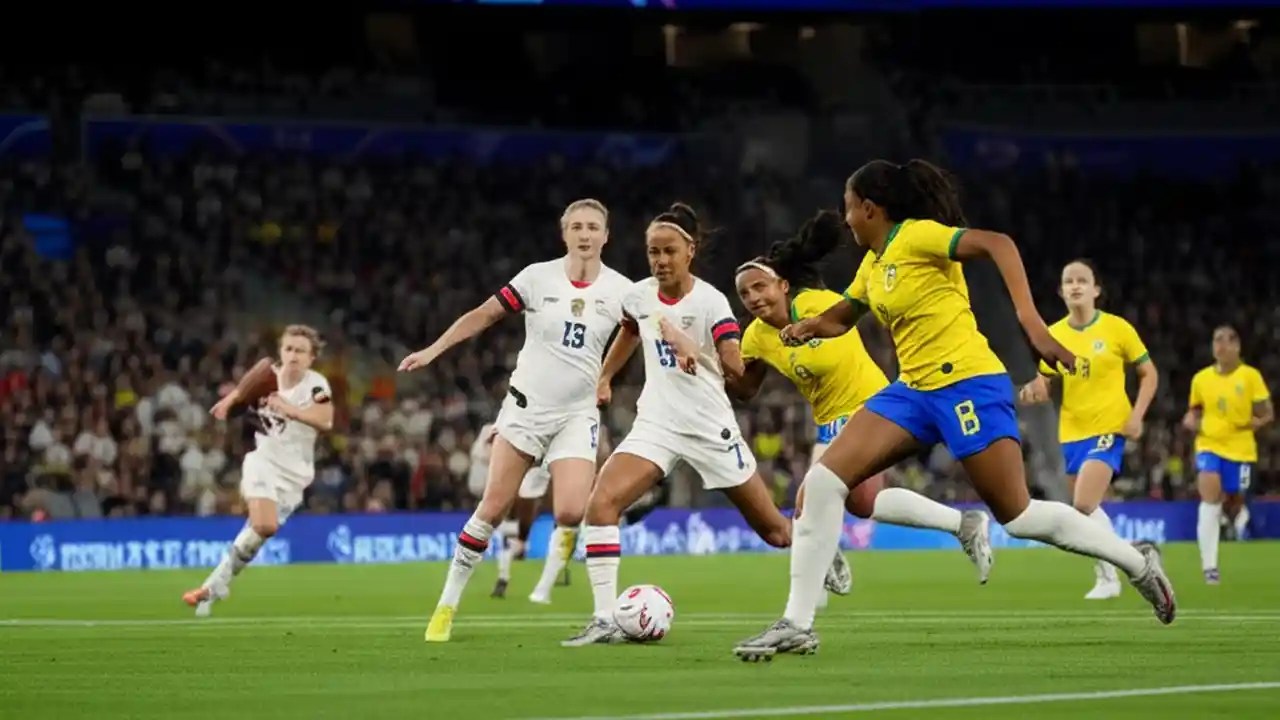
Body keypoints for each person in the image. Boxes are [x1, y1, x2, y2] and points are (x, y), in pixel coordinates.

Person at [733, 159, 1176, 660]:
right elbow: (843, 315)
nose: (846, 217)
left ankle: (1136, 563)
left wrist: (1031, 324)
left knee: (1018, 515)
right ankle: (797, 622)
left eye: (849, 207)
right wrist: (807, 328)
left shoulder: (919, 235)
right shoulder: (874, 265)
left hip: (967, 382)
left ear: (871, 209)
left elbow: (997, 244)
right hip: (913, 391)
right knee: (822, 482)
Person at [562, 203, 850, 648]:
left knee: (775, 532)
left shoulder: (711, 302)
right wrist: (604, 376)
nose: (659, 261)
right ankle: (603, 620)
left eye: (668, 252)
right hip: (656, 422)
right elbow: (629, 330)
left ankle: (821, 551)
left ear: (689, 251)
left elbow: (736, 375)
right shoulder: (639, 296)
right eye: (652, 252)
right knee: (601, 503)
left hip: (710, 427)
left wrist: (696, 352)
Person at [399, 199, 633, 642]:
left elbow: (636, 331)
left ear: (607, 236)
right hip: (526, 410)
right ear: (564, 233)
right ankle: (446, 607)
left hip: (576, 414)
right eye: (577, 226)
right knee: (491, 509)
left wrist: (606, 375)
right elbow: (484, 315)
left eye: (594, 227)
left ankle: (606, 613)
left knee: (568, 509)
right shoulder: (535, 277)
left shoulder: (623, 291)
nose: (585, 234)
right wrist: (433, 350)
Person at [731, 210, 993, 602]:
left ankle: (809, 597)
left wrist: (809, 331)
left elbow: (846, 322)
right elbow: (746, 388)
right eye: (744, 294)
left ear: (784, 285)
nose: (753, 297)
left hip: (868, 405)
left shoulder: (819, 304)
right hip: (829, 420)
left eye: (759, 287)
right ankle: (962, 523)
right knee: (863, 503)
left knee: (810, 504)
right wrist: (708, 357)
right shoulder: (755, 337)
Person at [1018, 260, 1158, 599]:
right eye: (1069, 281)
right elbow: (1045, 381)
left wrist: (1137, 415)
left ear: (1096, 289)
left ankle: (1109, 577)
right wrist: (1034, 389)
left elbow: (1149, 373)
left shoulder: (1117, 329)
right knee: (1089, 511)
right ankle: (1134, 554)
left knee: (1082, 505)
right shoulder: (1055, 335)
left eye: (1083, 280)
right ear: (1062, 291)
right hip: (1072, 431)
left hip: (1109, 425)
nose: (1076, 285)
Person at [183, 325, 334, 616]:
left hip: (295, 477)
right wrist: (228, 402)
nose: (293, 356)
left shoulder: (317, 386)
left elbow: (325, 421)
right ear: (281, 350)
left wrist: (290, 409)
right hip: (262, 462)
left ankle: (213, 588)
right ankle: (214, 586)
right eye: (288, 349)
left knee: (256, 536)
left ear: (311, 358)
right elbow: (242, 390)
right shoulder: (266, 376)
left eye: (300, 351)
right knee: (264, 526)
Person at [1181, 325, 1272, 584]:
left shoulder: (1250, 377)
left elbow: (1267, 412)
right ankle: (1209, 566)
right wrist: (1190, 419)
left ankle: (1234, 517)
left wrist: (1258, 422)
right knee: (1209, 496)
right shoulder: (1200, 379)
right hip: (1209, 445)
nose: (1221, 345)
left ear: (1237, 347)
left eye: (1227, 341)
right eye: (1216, 340)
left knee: (1234, 499)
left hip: (1241, 449)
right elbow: (1195, 412)